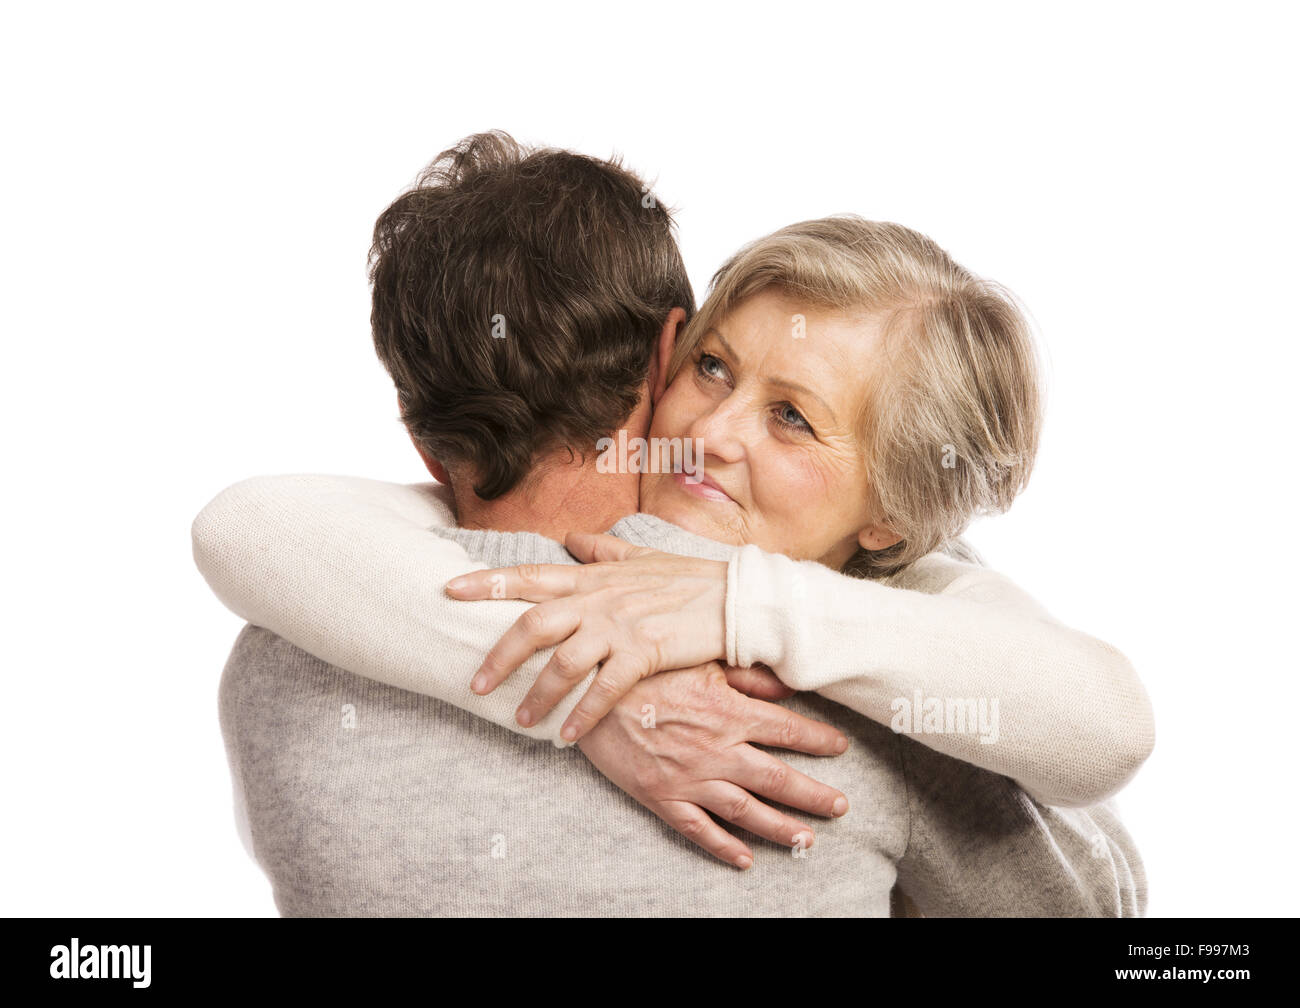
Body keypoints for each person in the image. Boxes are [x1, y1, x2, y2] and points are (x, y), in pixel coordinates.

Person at [194, 131, 1149, 915]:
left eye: (791, 417)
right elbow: (1103, 910)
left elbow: (252, 529)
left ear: (419, 436)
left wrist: (740, 604)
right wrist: (593, 687)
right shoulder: (859, 713)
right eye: (716, 369)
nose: (712, 435)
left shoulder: (292, 650)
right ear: (667, 349)